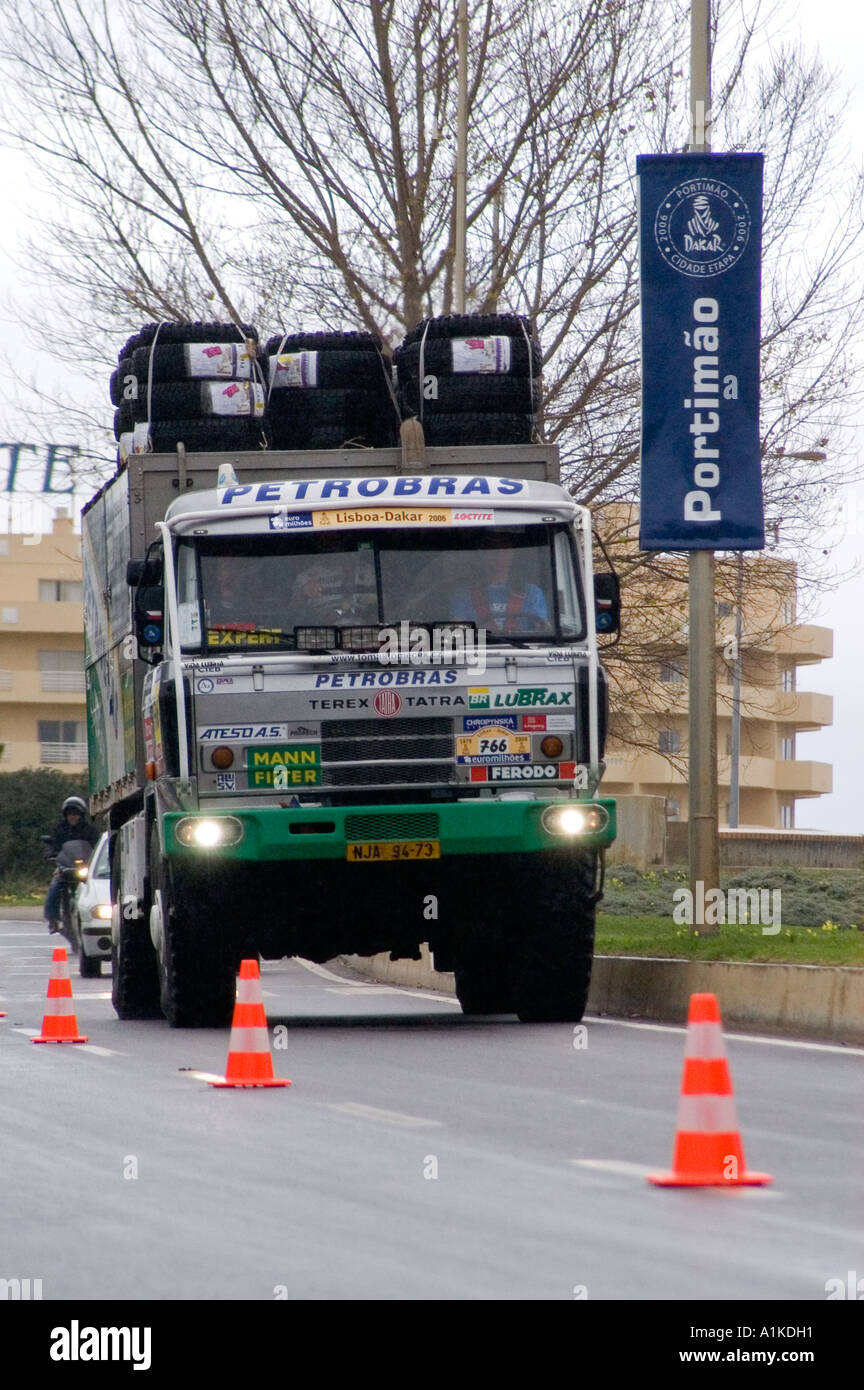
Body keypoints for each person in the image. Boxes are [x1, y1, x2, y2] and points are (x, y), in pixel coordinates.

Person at [451, 547, 550, 633]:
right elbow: (457, 635)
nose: (499, 555)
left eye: (505, 550)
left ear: (512, 554)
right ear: (482, 554)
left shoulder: (532, 593)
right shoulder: (464, 595)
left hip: (523, 650)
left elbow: (543, 629)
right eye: (493, 550)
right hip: (479, 650)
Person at [43, 796, 100, 935]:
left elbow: (96, 846)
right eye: (69, 814)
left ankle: (98, 918)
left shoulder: (89, 830)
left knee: (96, 887)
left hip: (84, 868)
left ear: (81, 815)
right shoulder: (60, 829)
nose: (72, 817)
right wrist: (50, 853)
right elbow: (53, 844)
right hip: (64, 867)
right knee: (54, 886)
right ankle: (52, 920)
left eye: (75, 814)